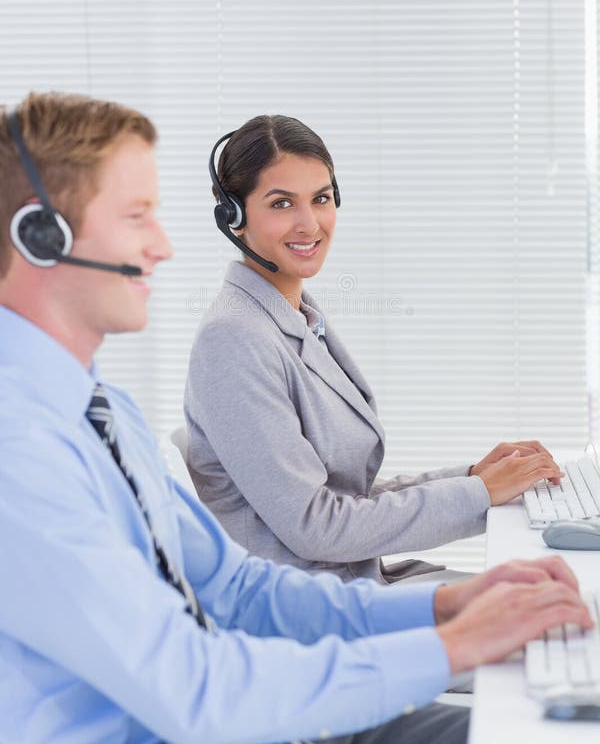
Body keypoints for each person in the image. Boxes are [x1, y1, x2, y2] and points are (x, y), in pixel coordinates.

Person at [0, 93, 591, 744]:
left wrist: (444, 605)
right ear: (40, 237)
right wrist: (450, 646)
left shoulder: (104, 410)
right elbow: (195, 686)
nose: (164, 246)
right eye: (137, 216)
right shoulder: (21, 451)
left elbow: (237, 589)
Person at [185, 115, 562, 583]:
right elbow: (315, 525)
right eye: (281, 203)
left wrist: (472, 476)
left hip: (350, 582)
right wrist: (480, 494)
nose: (309, 224)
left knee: (544, 589)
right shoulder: (235, 338)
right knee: (543, 603)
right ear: (233, 217)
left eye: (321, 199)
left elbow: (347, 496)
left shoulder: (294, 317)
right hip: (307, 610)